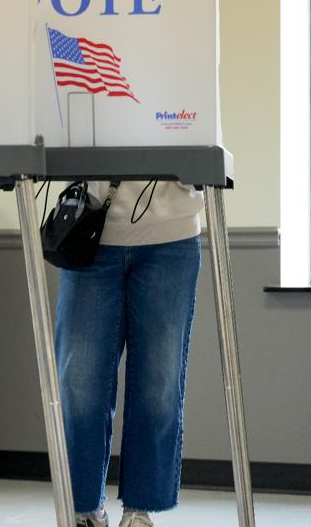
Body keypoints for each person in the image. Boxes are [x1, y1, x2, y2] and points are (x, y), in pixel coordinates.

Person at [54, 180, 204, 527]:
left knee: (160, 380)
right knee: (78, 380)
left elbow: (202, 137)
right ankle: (84, 508)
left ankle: (141, 509)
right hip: (90, 224)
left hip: (171, 232)